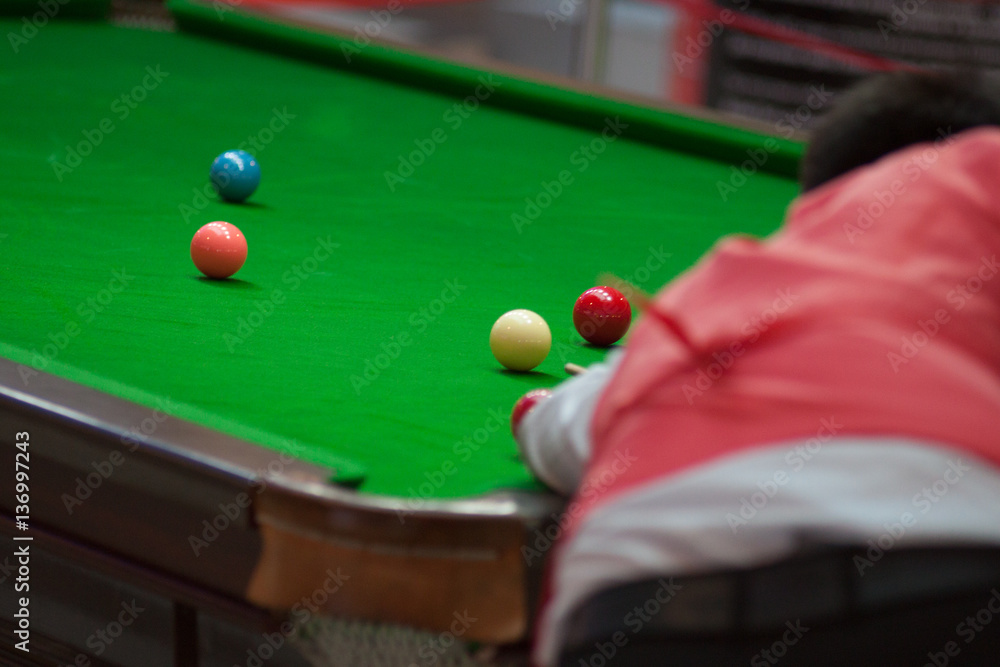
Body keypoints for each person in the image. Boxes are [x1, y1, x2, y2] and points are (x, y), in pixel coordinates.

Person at [516, 70, 1000, 666]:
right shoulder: (984, 179)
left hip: (633, 617)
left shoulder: (727, 284)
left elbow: (549, 429)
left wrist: (575, 398)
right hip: (947, 591)